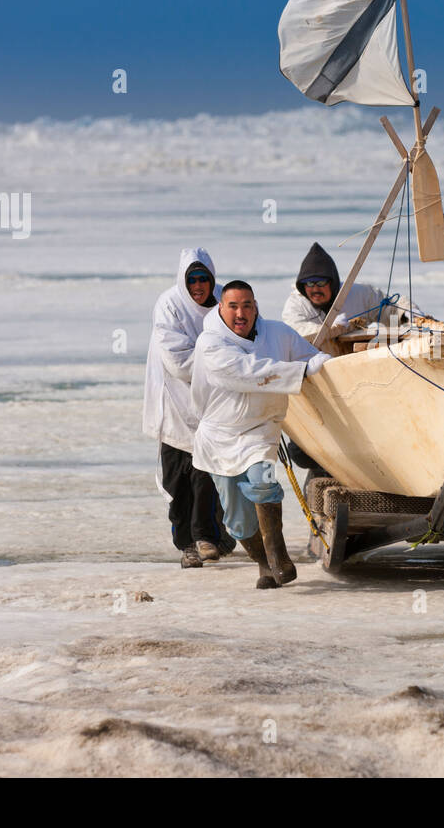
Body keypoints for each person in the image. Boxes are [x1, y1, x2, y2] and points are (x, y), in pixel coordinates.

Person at [191, 280, 331, 589]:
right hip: (219, 436)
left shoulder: (278, 332)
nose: (241, 313)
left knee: (264, 482)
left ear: (256, 307)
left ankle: (279, 558)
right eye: (233, 306)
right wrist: (300, 372)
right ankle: (263, 563)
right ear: (220, 308)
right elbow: (245, 372)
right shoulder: (210, 343)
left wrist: (327, 366)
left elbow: (311, 357)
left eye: (247, 305)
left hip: (262, 430)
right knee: (238, 521)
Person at [141, 248, 229, 568]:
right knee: (178, 480)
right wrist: (220, 363)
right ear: (183, 280)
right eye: (192, 279)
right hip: (174, 401)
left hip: (212, 403)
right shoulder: (169, 305)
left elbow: (244, 336)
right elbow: (178, 362)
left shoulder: (225, 301)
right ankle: (186, 544)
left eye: (203, 278)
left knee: (209, 473)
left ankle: (206, 537)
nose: (198, 285)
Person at [283, 242, 420, 351]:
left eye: (321, 282)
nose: (315, 289)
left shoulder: (359, 293)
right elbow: (297, 331)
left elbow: (390, 309)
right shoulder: (296, 304)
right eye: (309, 283)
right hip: (317, 366)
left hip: (354, 359)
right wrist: (332, 327)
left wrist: (407, 313)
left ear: (333, 283)